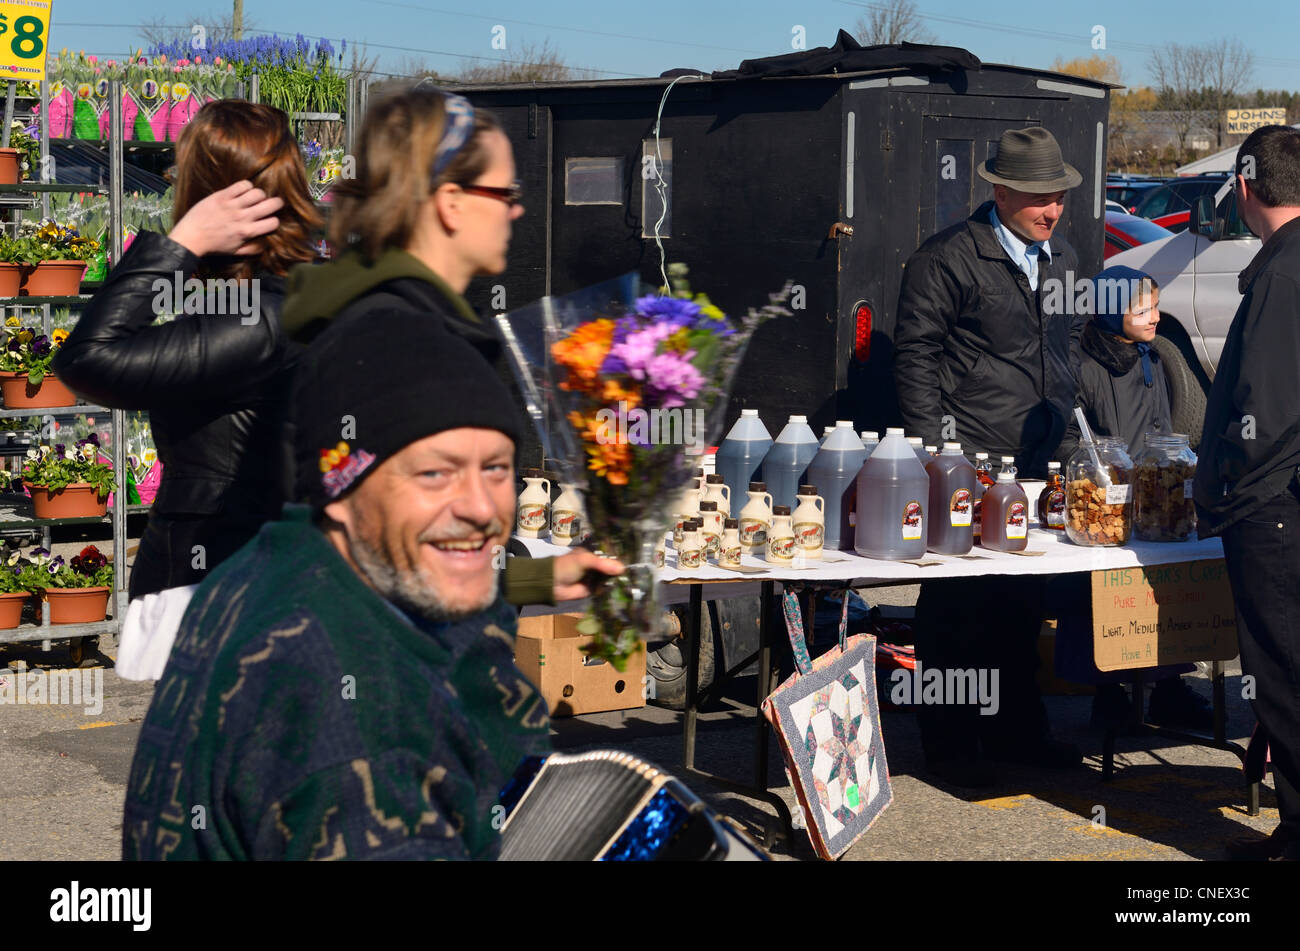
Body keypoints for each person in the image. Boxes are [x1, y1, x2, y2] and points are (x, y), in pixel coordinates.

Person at [123, 315, 554, 860]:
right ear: (344, 486)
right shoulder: (364, 737)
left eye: (496, 469)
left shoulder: (265, 568)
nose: (481, 507)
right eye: (434, 474)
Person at [279, 83, 604, 608]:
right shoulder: (397, 342)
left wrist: (533, 581)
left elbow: (393, 557)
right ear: (451, 201)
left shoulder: (383, 319)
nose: (515, 212)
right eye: (506, 194)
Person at [53, 101, 317, 679]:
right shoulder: (285, 295)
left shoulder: (259, 319)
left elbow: (86, 360)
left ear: (210, 194)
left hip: (221, 584)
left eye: (180, 173)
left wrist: (181, 241)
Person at [893, 126, 1084, 786]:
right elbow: (914, 357)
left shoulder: (1064, 258)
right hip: (968, 455)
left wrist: (1070, 422)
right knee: (956, 609)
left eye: (1057, 195)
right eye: (1038, 196)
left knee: (1021, 604)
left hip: (1036, 459)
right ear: (1000, 190)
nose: (1051, 208)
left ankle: (1017, 733)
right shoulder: (945, 259)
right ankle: (949, 744)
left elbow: (1067, 345)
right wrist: (937, 452)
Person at [1193, 124, 1300, 862]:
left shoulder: (1283, 271)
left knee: (1283, 676)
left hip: (1274, 510)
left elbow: (1265, 404)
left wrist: (1233, 484)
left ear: (1245, 188)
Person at [1056, 265, 1212, 731]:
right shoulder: (1082, 367)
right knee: (1101, 596)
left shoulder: (1155, 360)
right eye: (1142, 308)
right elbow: (1068, 435)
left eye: (1156, 306)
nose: (1156, 317)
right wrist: (1101, 468)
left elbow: (1164, 426)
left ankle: (1168, 687)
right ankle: (1108, 692)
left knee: (1164, 588)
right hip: (1106, 499)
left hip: (1156, 493)